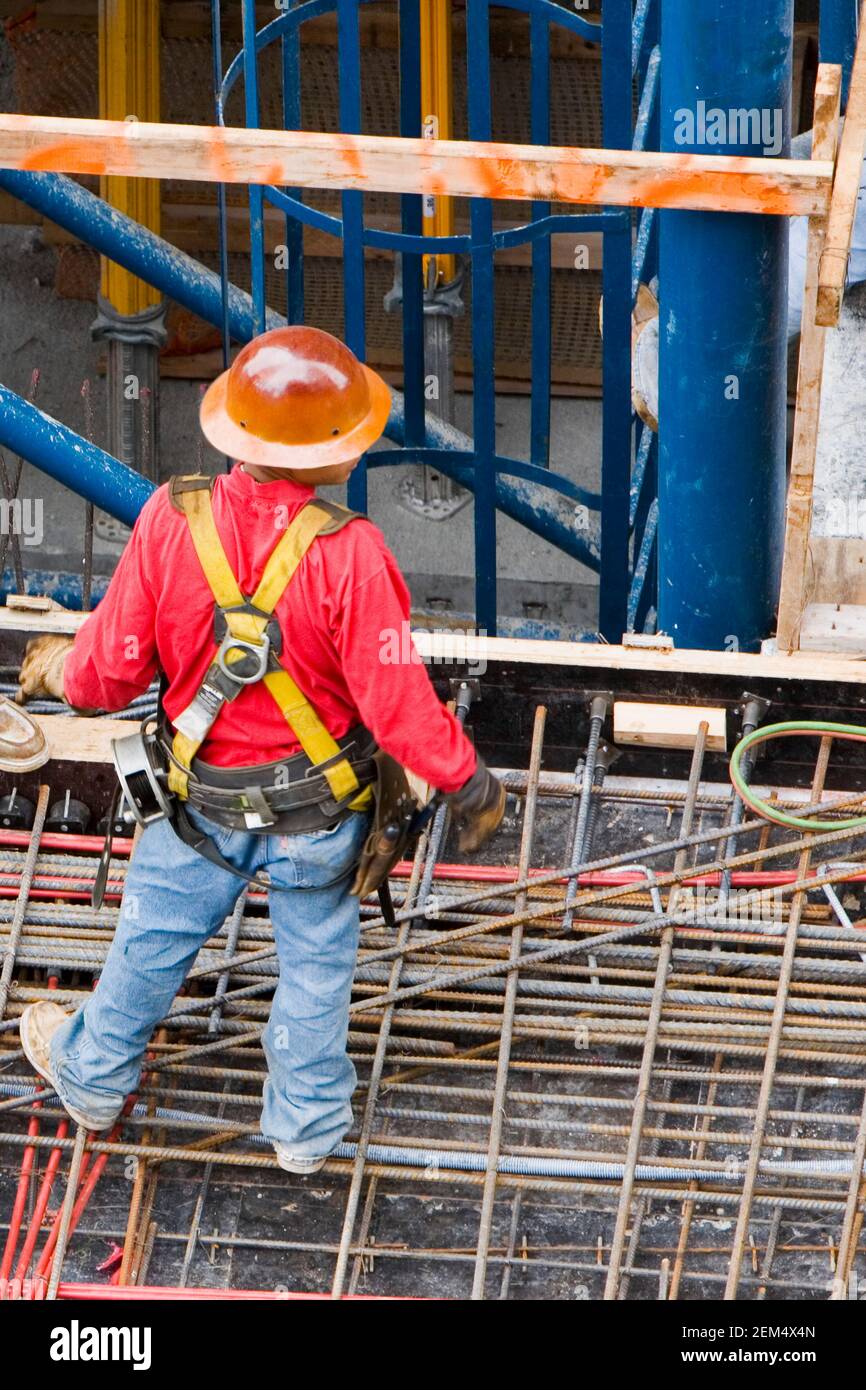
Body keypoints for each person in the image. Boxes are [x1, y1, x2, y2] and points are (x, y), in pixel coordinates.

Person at [15, 325, 505, 1174]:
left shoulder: (171, 520)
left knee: (154, 937)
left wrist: (57, 663)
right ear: (336, 450)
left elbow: (103, 676)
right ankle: (305, 1131)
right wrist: (470, 784)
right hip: (318, 816)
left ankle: (92, 1078)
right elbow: (399, 711)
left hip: (194, 804)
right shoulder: (353, 556)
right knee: (315, 966)